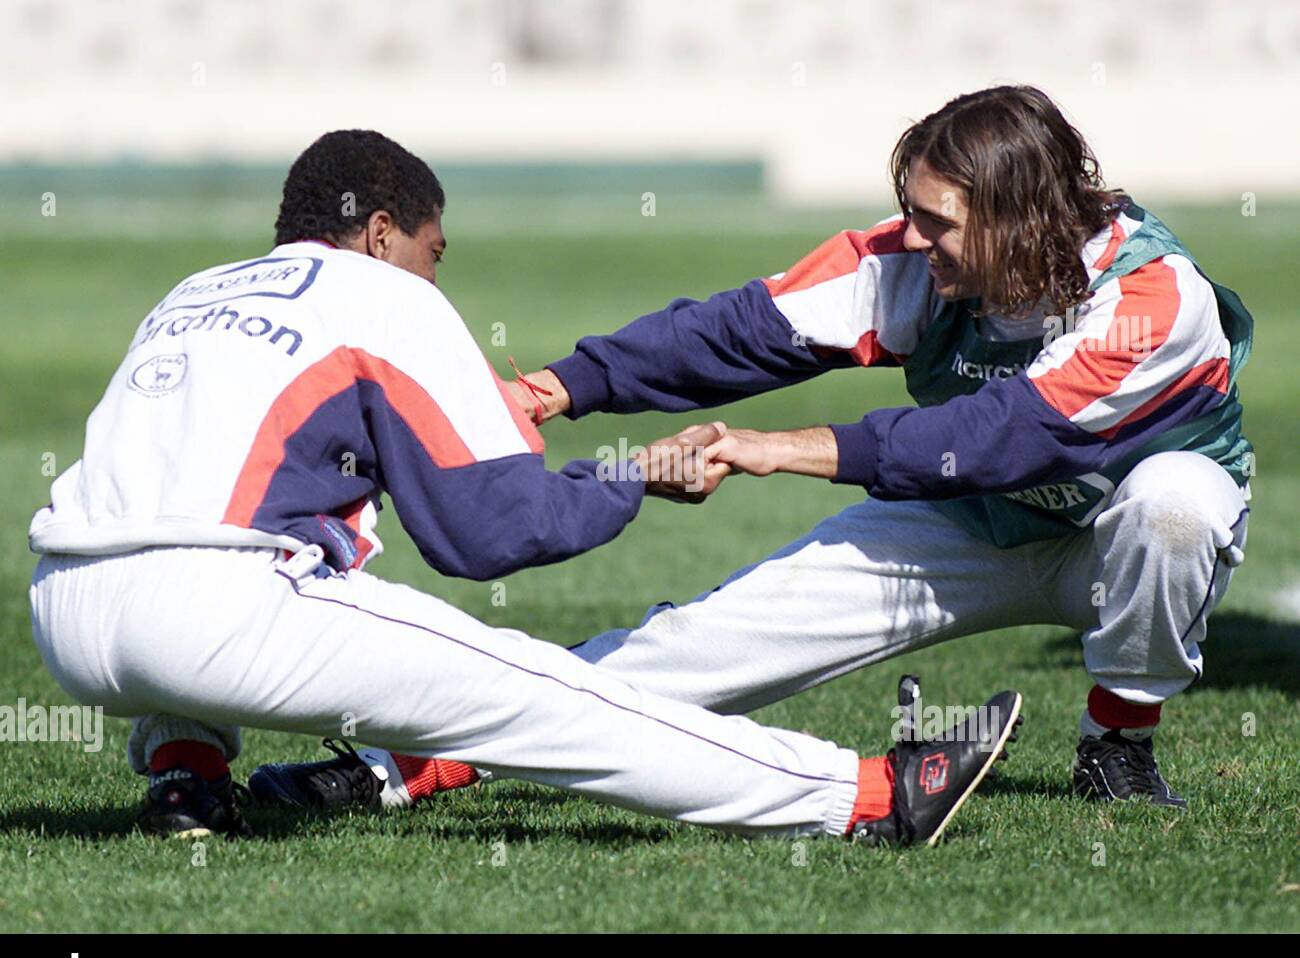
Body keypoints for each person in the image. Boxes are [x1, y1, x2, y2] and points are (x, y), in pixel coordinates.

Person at [27, 129, 1020, 846]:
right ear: (381, 233)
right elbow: (489, 535)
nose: (433, 275)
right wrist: (633, 474)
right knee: (554, 699)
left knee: (215, 525)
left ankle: (187, 782)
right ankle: (874, 797)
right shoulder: (382, 296)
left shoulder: (195, 290)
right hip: (218, 614)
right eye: (433, 253)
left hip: (65, 613)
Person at [279, 85, 1250, 813]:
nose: (912, 240)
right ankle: (413, 763)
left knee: (1176, 504)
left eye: (937, 222)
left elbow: (998, 436)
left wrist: (778, 450)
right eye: (909, 212)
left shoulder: (1152, 300)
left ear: (1015, 217)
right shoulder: (919, 262)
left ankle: (1117, 740)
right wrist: (551, 390)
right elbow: (738, 332)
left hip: (1108, 547)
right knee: (698, 645)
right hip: (967, 528)